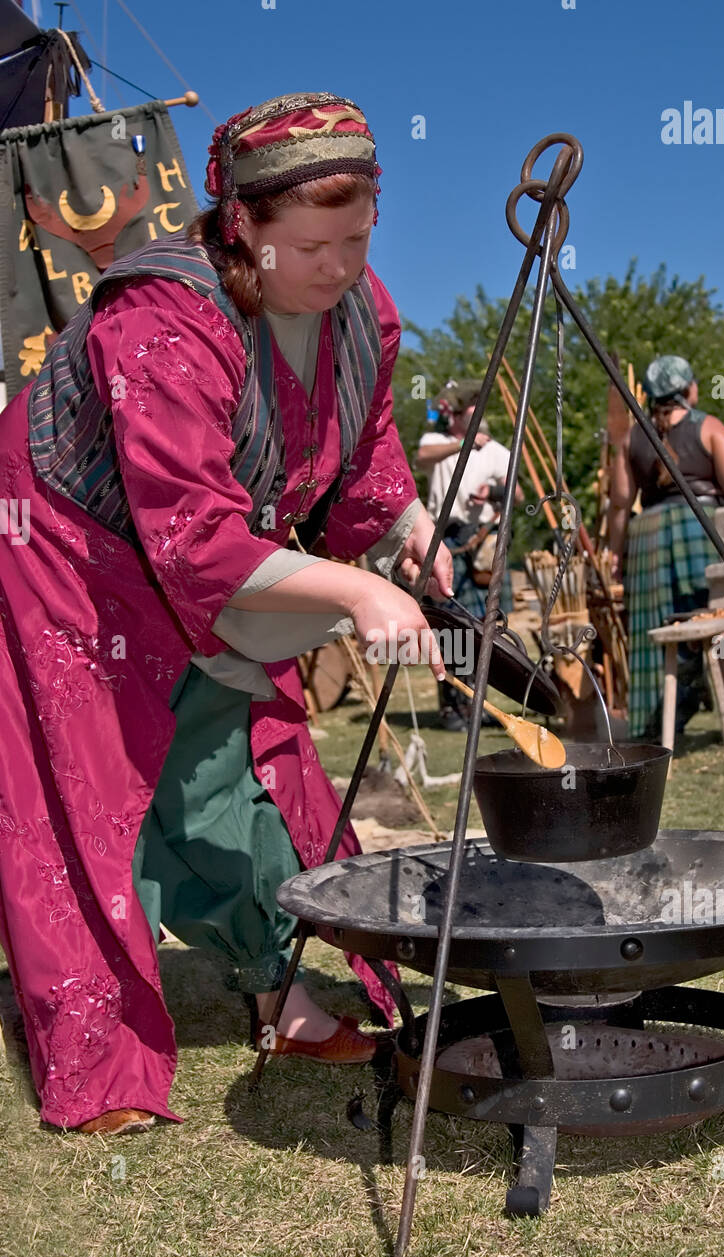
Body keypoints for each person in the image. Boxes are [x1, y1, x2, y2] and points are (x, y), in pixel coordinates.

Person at [0, 91, 452, 1136]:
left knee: (246, 749)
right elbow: (191, 536)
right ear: (242, 225)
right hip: (69, 539)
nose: (337, 267)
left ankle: (279, 991)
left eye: (356, 236)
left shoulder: (363, 313)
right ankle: (92, 1042)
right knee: (90, 774)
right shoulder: (160, 319)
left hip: (211, 545)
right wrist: (353, 591)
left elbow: (364, 454)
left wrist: (407, 528)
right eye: (310, 246)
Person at [607, 354, 724, 739]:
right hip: (700, 528)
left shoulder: (630, 439)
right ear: (688, 389)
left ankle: (655, 726)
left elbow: (621, 505)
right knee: (716, 627)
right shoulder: (707, 427)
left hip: (648, 537)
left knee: (654, 631)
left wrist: (616, 555)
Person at [414, 382, 521, 730]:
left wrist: (494, 492)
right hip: (445, 539)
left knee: (481, 628)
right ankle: (453, 709)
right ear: (457, 415)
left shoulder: (495, 451)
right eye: (470, 407)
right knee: (450, 629)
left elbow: (516, 495)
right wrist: (462, 445)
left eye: (479, 405)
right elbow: (421, 458)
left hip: (478, 544)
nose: (478, 411)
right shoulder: (437, 442)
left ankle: (478, 707)